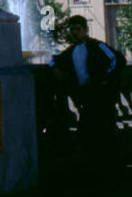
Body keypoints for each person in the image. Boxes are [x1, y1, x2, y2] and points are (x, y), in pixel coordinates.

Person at [52, 16, 126, 152]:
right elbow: (54, 61)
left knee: (105, 134)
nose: (74, 32)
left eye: (78, 29)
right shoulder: (70, 51)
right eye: (72, 29)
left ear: (86, 30)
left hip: (102, 97)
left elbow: (118, 60)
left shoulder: (97, 46)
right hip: (85, 98)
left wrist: (104, 80)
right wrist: (55, 68)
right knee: (88, 135)